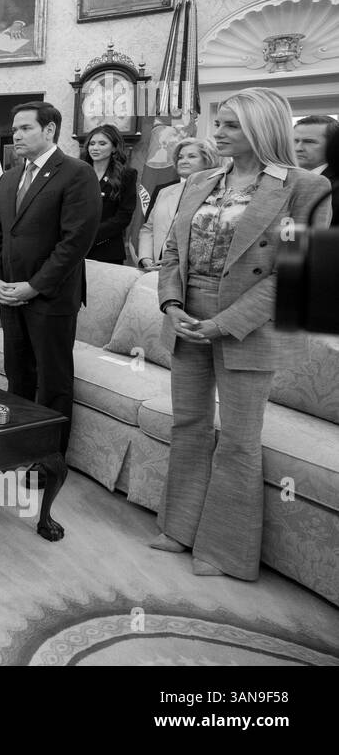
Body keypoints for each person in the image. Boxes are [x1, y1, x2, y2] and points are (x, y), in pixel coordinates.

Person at [152, 88, 332, 579]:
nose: (217, 134)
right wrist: (170, 305)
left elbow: (296, 272)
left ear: (259, 128)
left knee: (237, 440)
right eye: (220, 123)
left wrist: (223, 323)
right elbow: (172, 252)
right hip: (187, 316)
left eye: (231, 125)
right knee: (187, 425)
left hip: (250, 325)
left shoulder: (303, 189)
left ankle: (224, 551)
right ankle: (180, 527)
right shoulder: (200, 182)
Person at [0, 102, 100, 461]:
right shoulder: (8, 177)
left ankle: (47, 459)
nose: (16, 135)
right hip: (9, 296)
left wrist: (33, 286)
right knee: (17, 376)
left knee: (52, 383)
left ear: (49, 130)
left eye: (25, 128)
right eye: (15, 129)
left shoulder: (76, 173)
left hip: (50, 299)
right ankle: (16, 446)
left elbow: (75, 243)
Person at [137, 137, 219, 270]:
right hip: (155, 270)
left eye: (191, 156)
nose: (183, 161)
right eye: (180, 157)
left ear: (208, 161)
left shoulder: (218, 193)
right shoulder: (165, 192)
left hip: (190, 272)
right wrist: (146, 258)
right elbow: (149, 228)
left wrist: (172, 265)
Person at [82, 125, 139, 264]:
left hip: (106, 251)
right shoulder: (77, 172)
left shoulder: (126, 175)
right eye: (92, 143)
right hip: (74, 248)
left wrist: (89, 236)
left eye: (102, 144)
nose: (95, 148)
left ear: (114, 148)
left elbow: (123, 216)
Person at [293, 114, 338, 224]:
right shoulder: (280, 179)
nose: (298, 148)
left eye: (309, 142)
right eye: (295, 141)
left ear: (333, 146)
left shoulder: (336, 188)